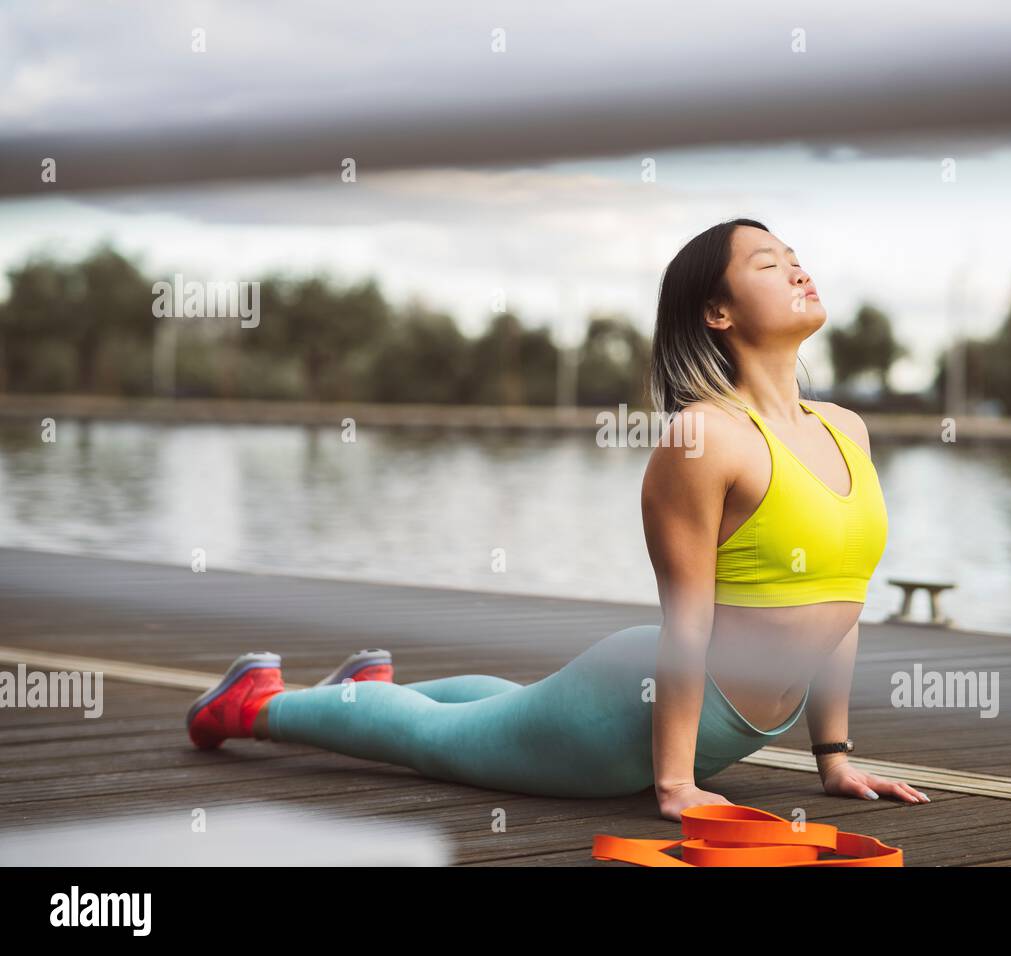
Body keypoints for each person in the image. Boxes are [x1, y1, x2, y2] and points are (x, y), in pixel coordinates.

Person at [185, 218, 930, 821]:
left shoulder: (844, 429)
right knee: (435, 739)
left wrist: (831, 757)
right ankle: (252, 704)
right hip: (627, 717)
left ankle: (362, 686)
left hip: (720, 722)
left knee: (506, 712)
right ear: (717, 311)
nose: (798, 269)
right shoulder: (706, 439)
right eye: (768, 263)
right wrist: (673, 783)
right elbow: (687, 626)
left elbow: (842, 605)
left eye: (796, 257)